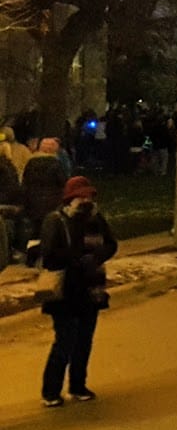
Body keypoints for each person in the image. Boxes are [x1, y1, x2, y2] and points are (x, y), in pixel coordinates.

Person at [38, 176, 118, 408]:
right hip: (64, 292)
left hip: (90, 290)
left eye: (89, 196)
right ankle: (51, 391)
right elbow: (49, 253)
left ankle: (78, 385)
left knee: (84, 340)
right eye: (81, 196)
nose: (85, 200)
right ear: (70, 198)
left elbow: (111, 243)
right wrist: (76, 259)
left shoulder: (96, 219)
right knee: (65, 341)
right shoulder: (56, 220)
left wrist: (95, 257)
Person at [22, 137, 66, 253]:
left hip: (33, 201)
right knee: (51, 228)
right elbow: (62, 182)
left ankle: (31, 256)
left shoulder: (31, 163)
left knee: (35, 230)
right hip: (52, 202)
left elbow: (25, 182)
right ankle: (49, 252)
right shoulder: (56, 164)